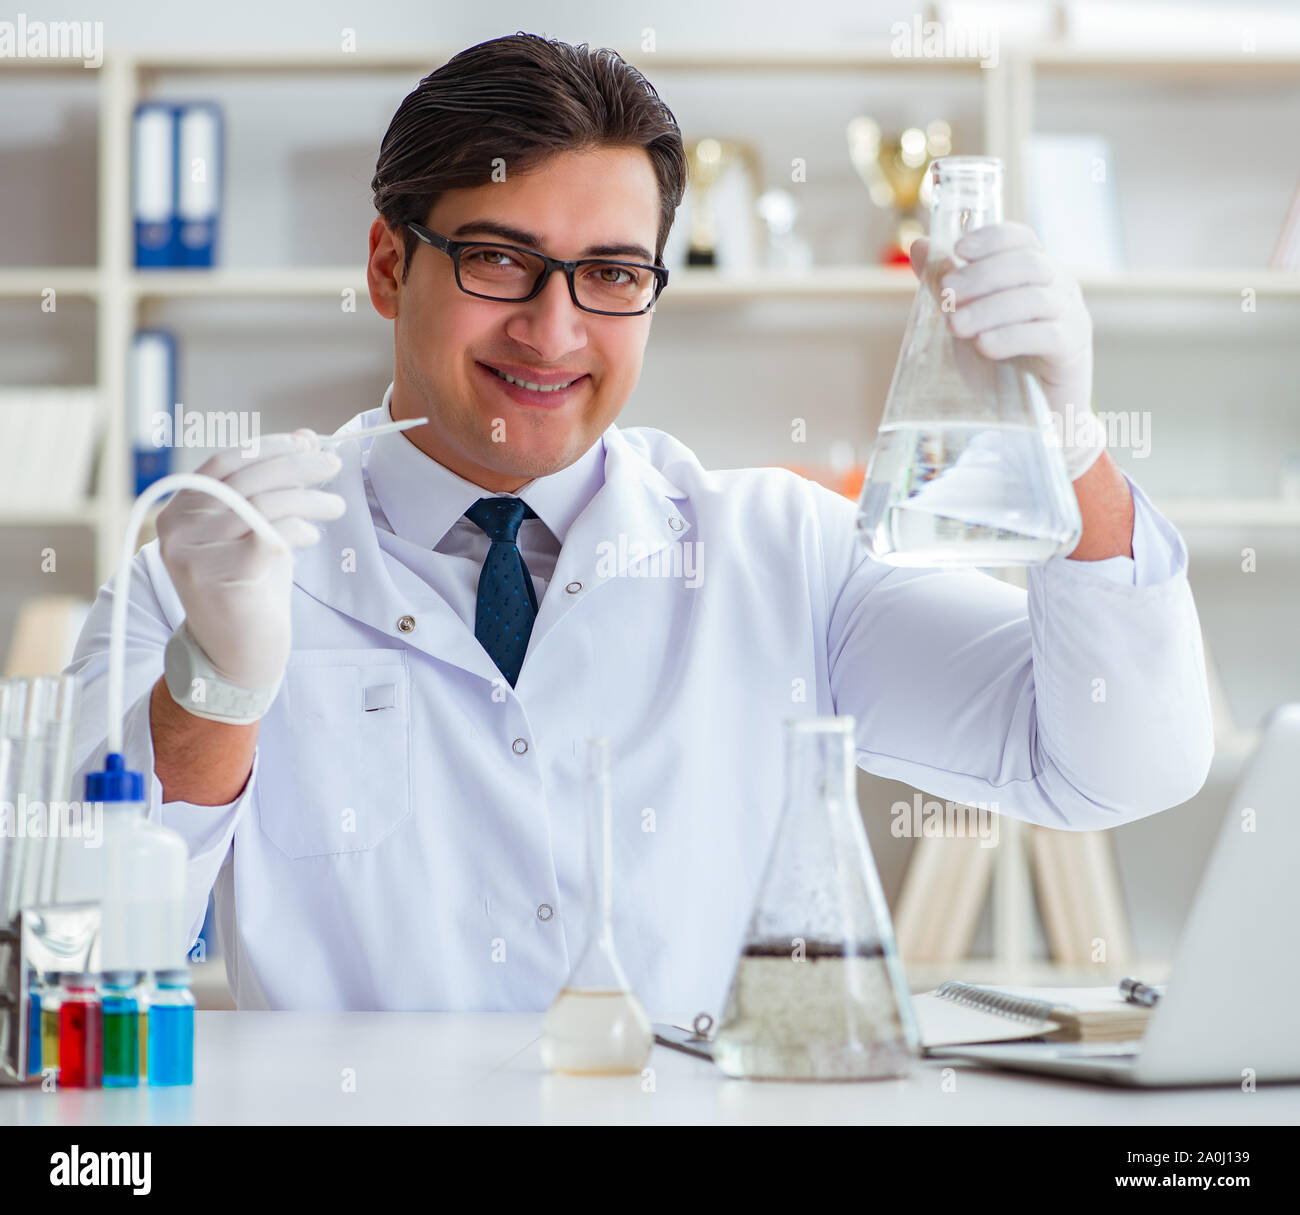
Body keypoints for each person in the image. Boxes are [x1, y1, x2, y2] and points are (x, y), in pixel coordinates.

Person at [66, 33, 1213, 1022]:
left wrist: (1071, 451)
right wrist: (212, 686)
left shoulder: (780, 550)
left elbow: (1113, 766)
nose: (553, 330)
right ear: (386, 264)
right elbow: (83, 945)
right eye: (499, 259)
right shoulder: (215, 567)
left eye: (611, 273)